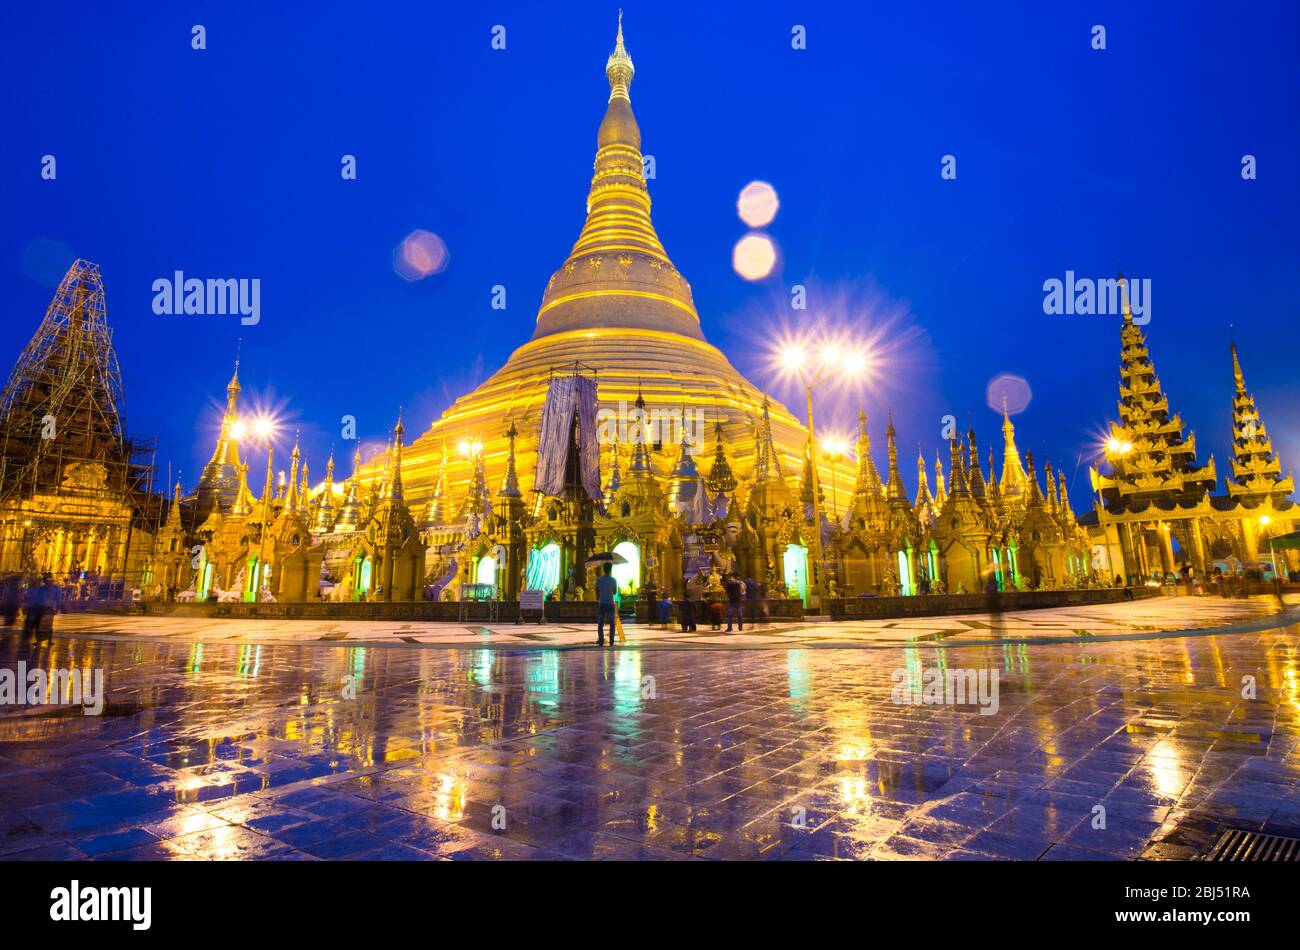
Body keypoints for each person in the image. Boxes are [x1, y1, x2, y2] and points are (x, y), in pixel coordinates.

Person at [23, 573, 61, 643]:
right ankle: (38, 640)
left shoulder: (55, 588)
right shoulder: (40, 587)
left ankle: (49, 640)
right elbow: (33, 596)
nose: (48, 581)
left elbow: (58, 599)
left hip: (48, 608)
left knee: (48, 625)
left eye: (49, 580)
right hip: (38, 608)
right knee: (39, 624)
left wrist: (57, 608)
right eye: (46, 580)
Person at [595, 563, 617, 646]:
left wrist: (599, 597)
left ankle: (601, 640)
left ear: (603, 569)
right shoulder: (613, 580)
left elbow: (597, 591)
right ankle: (611, 640)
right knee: (612, 623)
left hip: (602, 603)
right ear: (610, 570)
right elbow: (615, 592)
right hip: (610, 603)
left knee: (600, 623)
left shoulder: (599, 580)